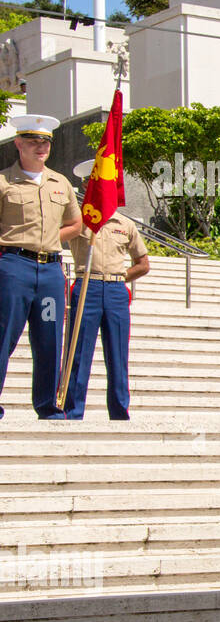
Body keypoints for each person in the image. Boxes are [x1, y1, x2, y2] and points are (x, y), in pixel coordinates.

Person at [0, 114, 82, 419]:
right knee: (4, 335)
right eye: (33, 141)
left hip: (50, 271)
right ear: (18, 143)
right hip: (14, 267)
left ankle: (48, 405)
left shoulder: (59, 182)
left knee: (49, 338)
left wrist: (49, 238)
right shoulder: (4, 182)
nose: (41, 147)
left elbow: (75, 223)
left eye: (45, 141)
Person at [64, 160, 150, 420]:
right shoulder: (77, 221)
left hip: (114, 290)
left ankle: (120, 410)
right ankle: (72, 410)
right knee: (78, 353)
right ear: (87, 187)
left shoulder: (124, 223)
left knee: (118, 353)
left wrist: (121, 277)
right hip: (86, 285)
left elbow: (143, 263)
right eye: (95, 184)